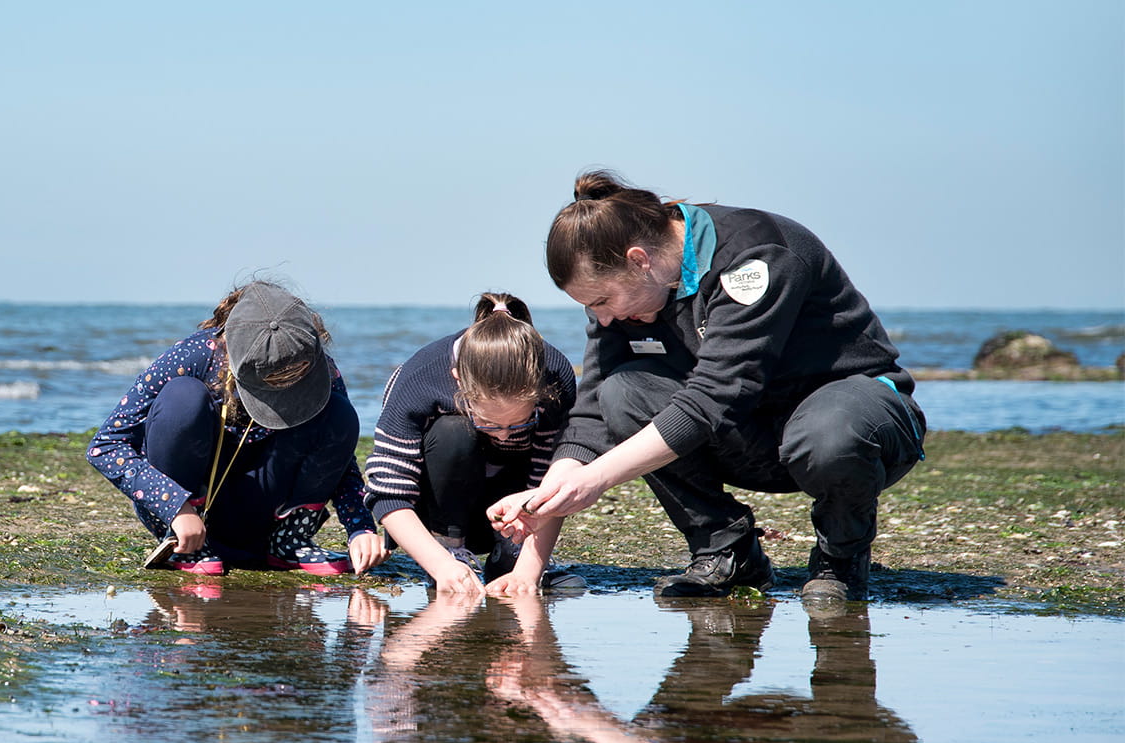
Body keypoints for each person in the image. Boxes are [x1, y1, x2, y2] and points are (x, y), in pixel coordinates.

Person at [493, 170, 926, 602]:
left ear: (640, 259)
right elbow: (595, 403)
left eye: (603, 302)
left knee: (830, 430)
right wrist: (556, 486)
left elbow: (716, 395)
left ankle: (840, 560)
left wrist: (598, 480)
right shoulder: (626, 295)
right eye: (591, 307)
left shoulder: (756, 255)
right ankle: (726, 551)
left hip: (858, 420)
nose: (602, 318)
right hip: (749, 436)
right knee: (621, 393)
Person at [86, 281, 384, 576]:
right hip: (186, 515)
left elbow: (340, 457)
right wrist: (175, 507)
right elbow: (106, 446)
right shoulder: (194, 355)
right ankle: (185, 544)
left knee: (339, 412)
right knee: (183, 397)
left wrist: (360, 527)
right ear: (228, 345)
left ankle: (288, 542)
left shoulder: (320, 369)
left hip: (266, 511)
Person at [365, 292, 583, 596]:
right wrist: (440, 565)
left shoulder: (555, 375)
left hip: (512, 514)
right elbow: (387, 491)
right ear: (457, 379)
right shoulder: (420, 378)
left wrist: (528, 572)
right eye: (491, 424)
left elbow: (551, 485)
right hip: (433, 513)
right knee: (454, 431)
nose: (505, 435)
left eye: (519, 424)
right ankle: (451, 549)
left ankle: (509, 551)